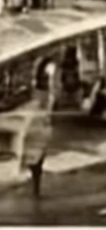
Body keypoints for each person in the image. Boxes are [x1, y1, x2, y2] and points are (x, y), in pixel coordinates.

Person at [21, 61, 56, 201]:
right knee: (36, 161)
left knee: (37, 161)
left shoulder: (41, 93)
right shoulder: (37, 94)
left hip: (39, 129)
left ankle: (35, 185)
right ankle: (35, 186)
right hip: (37, 129)